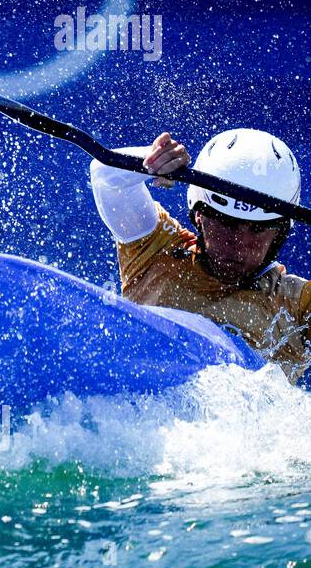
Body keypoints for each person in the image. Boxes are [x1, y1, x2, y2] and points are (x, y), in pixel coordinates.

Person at [90, 128, 311, 383]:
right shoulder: (155, 251)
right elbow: (106, 175)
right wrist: (151, 160)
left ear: (280, 234)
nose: (239, 245)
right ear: (198, 215)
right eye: (226, 223)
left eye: (259, 229)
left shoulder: (298, 304)